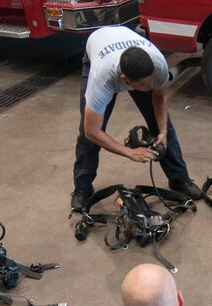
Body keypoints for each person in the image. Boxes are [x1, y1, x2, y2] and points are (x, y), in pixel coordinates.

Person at [71, 27, 203, 211]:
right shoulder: (102, 78)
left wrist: (163, 130)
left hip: (127, 48)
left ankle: (180, 179)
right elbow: (92, 131)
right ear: (125, 80)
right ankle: (82, 188)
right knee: (88, 137)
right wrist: (130, 152)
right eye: (143, 84)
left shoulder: (157, 65)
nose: (150, 87)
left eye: (152, 81)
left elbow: (159, 96)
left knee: (163, 126)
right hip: (99, 45)